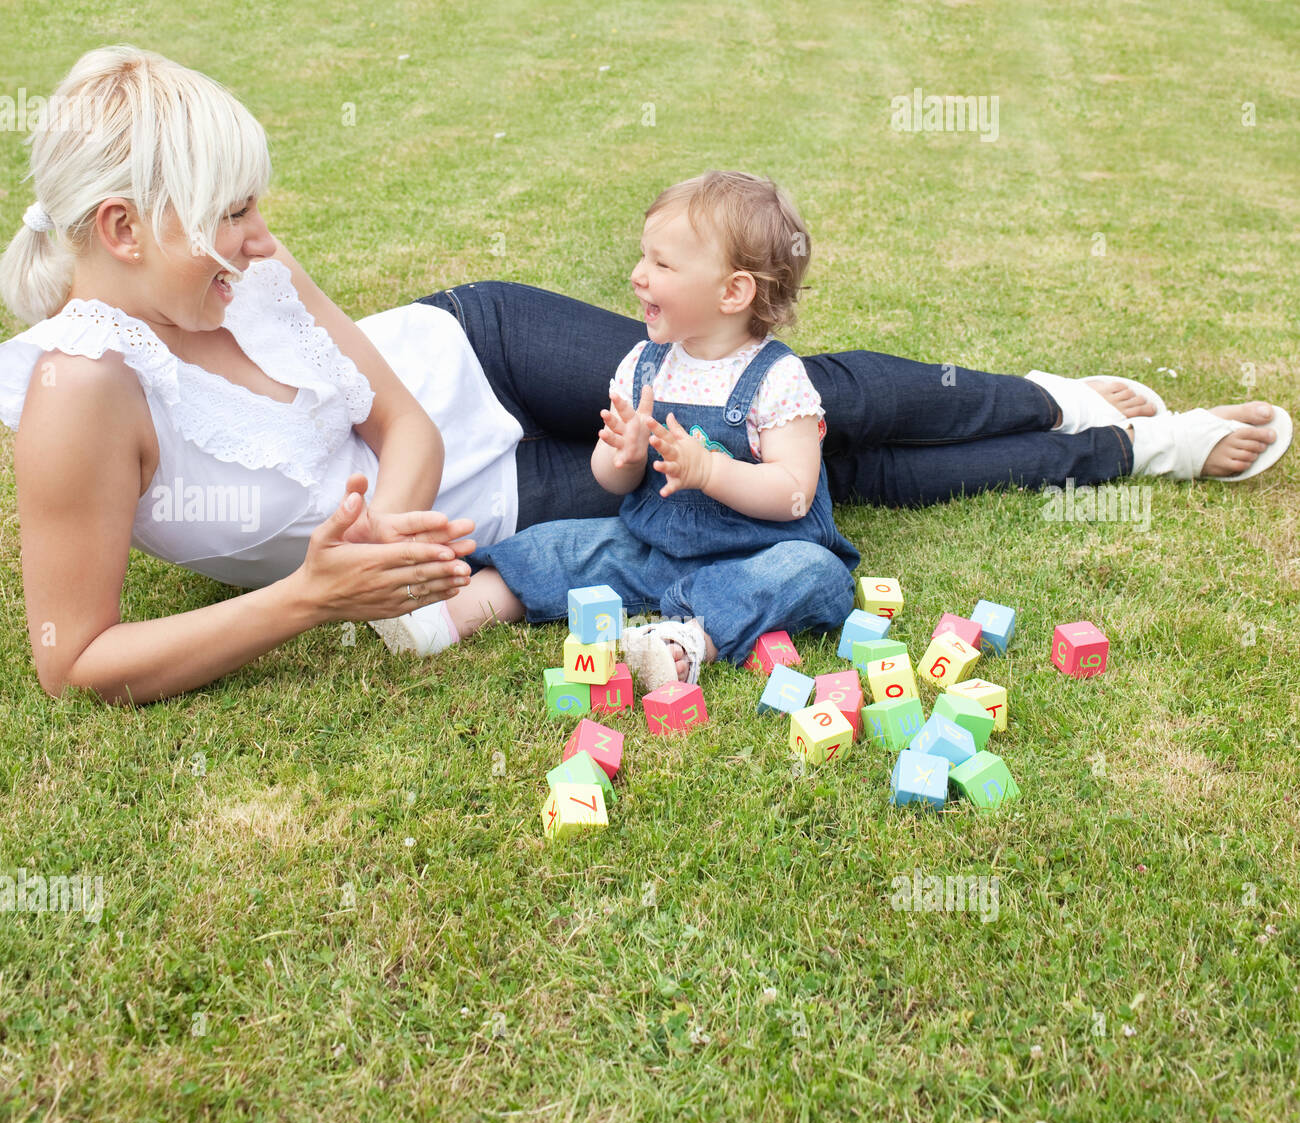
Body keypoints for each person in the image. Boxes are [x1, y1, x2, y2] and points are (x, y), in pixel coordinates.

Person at [0, 46, 1289, 705]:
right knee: (814, 479)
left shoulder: (249, 272)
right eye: (232, 215)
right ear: (125, 231)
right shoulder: (77, 399)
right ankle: (1132, 451)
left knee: (784, 391)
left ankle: (1051, 396)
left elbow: (397, 412)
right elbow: (76, 659)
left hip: (483, 359)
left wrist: (388, 525)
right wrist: (311, 598)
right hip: (509, 509)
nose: (263, 238)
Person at [429, 170, 862, 688]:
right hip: (652, 551)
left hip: (757, 556)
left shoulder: (778, 377)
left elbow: (794, 492)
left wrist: (710, 470)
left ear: (732, 291)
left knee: (812, 572)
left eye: (662, 264)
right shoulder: (644, 363)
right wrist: (624, 456)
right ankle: (452, 613)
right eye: (643, 256)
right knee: (560, 544)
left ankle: (688, 641)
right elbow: (609, 481)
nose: (638, 275)